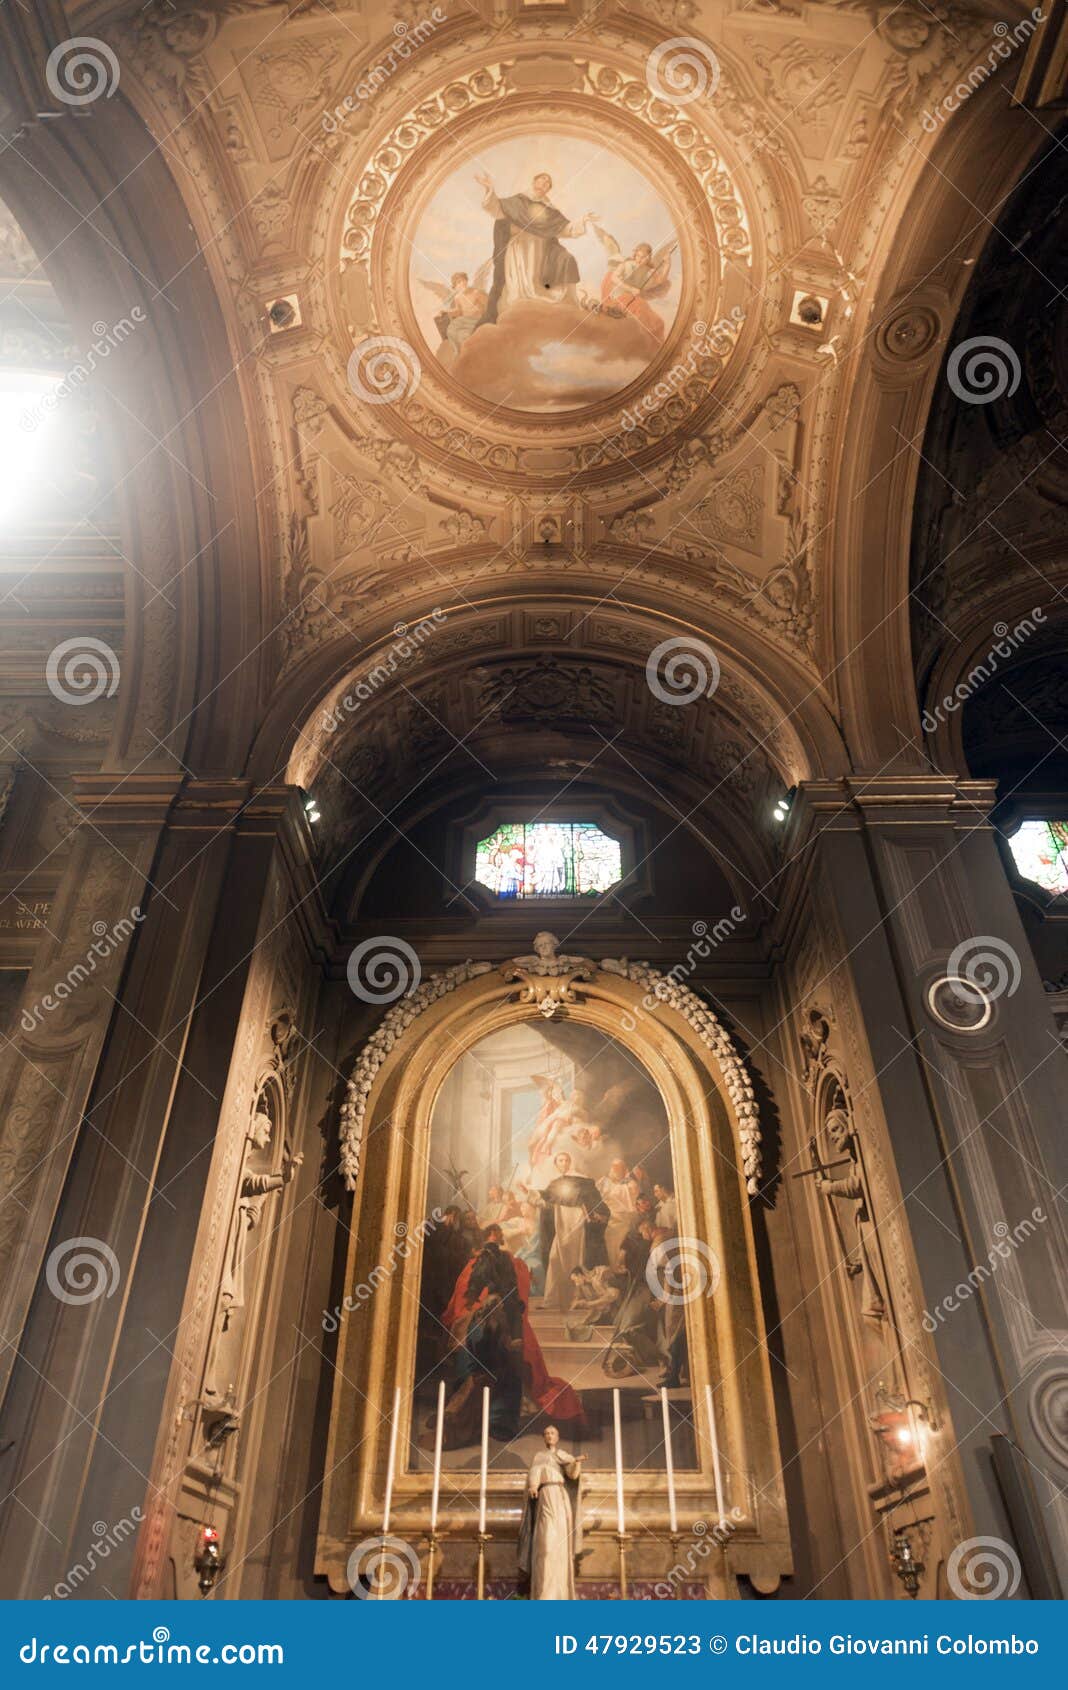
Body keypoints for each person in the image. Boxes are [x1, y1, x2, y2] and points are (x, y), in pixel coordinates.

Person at [475, 170, 597, 319]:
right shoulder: (516, 202)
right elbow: (496, 209)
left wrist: (583, 220)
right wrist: (489, 189)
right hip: (519, 249)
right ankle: (519, 313)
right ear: (534, 182)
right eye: (542, 180)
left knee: (559, 266)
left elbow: (564, 229)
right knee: (519, 289)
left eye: (548, 184)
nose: (544, 184)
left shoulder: (549, 210)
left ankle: (546, 310)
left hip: (541, 250)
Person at [517, 1425, 585, 1599]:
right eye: (546, 1433)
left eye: (552, 1433)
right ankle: (544, 1593)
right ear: (543, 1437)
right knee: (545, 1543)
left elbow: (572, 1475)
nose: (549, 1435)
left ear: (557, 1436)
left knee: (560, 1544)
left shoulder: (563, 1455)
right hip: (545, 1496)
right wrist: (533, 1486)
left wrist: (576, 1463)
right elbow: (535, 1472)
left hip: (560, 1498)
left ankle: (560, 1594)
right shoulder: (539, 1456)